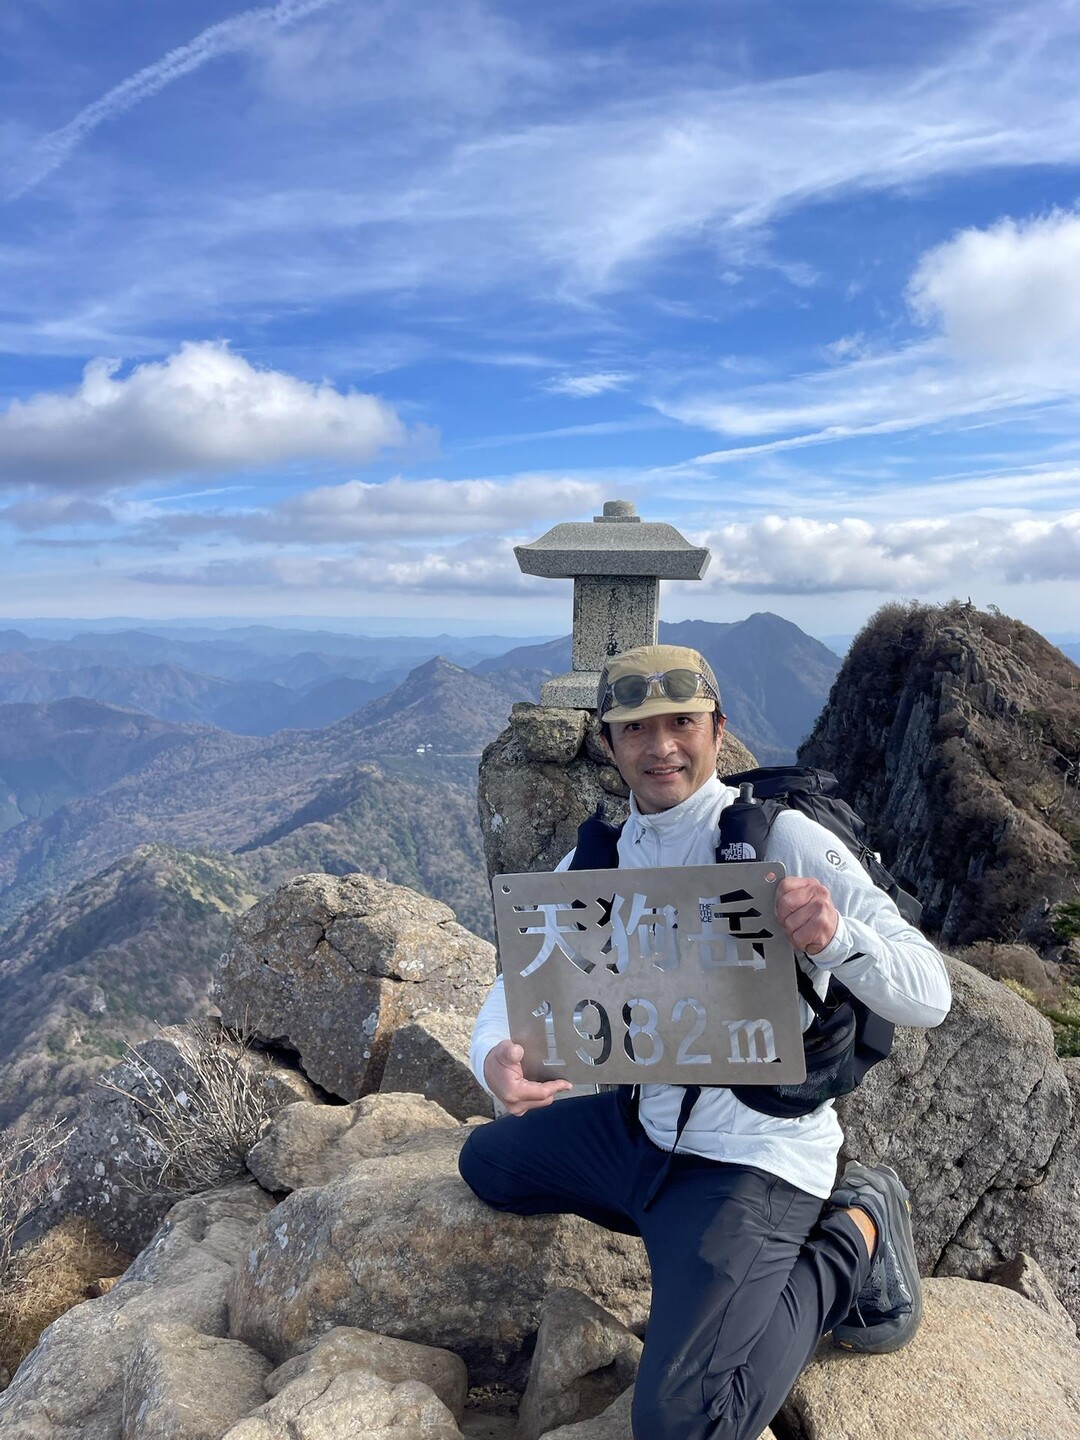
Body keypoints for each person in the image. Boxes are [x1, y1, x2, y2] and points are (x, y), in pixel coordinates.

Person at [459, 643, 952, 1440]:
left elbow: (930, 992)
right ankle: (679, 1235)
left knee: (683, 1425)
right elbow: (523, 977)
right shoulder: (606, 855)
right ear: (610, 745)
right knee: (488, 1163)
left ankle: (851, 1226)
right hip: (642, 1133)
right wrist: (495, 1057)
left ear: (717, 730)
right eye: (636, 730)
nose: (661, 747)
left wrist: (832, 936)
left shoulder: (781, 839)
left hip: (752, 1154)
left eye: (681, 723)